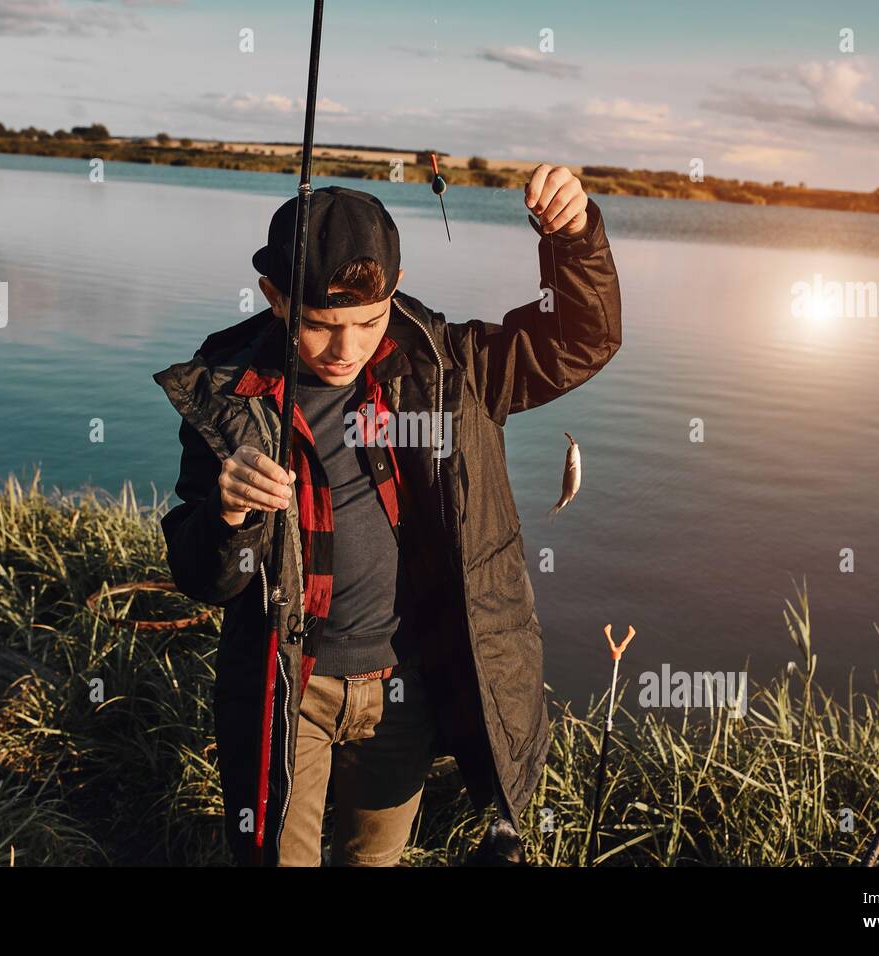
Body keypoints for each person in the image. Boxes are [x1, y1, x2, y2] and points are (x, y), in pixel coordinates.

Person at [153, 164, 622, 866]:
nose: (346, 349)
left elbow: (580, 340)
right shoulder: (227, 394)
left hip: (407, 692)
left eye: (368, 323)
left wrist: (574, 237)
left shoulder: (451, 367)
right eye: (318, 326)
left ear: (394, 294)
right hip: (287, 693)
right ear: (275, 298)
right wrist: (228, 520)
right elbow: (202, 579)